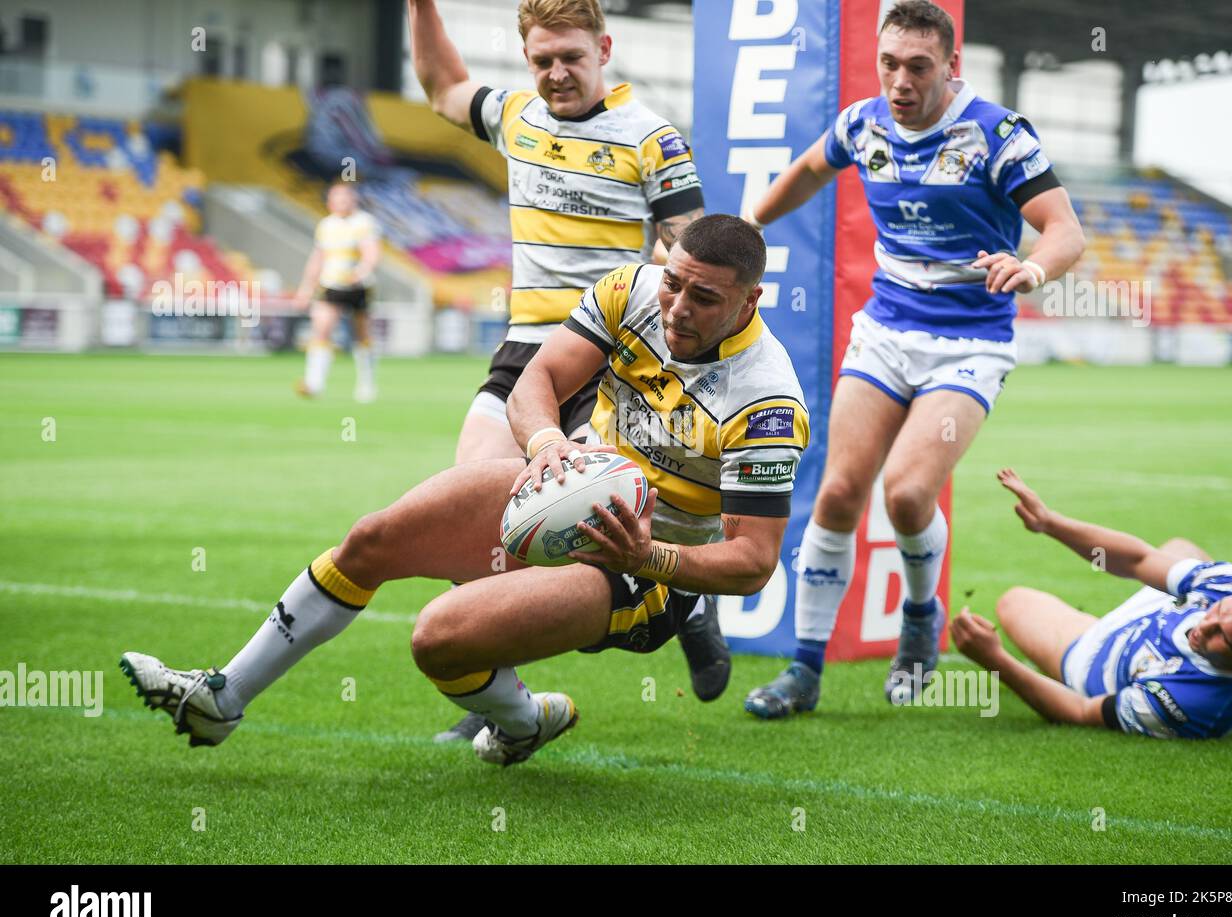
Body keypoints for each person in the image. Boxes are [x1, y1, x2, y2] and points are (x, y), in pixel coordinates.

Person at [120, 215, 809, 766]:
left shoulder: (767, 398)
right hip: (565, 484)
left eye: (704, 297)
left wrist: (647, 557)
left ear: (750, 299)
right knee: (372, 538)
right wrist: (546, 443)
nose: (678, 307)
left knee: (439, 639)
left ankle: (523, 721)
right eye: (675, 283)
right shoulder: (632, 289)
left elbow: (751, 561)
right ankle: (222, 698)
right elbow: (536, 384)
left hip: (643, 572)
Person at [741, 0, 1085, 717]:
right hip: (887, 331)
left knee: (903, 494)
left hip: (970, 342)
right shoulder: (862, 122)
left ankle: (921, 618)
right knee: (836, 494)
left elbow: (1064, 230)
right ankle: (804, 670)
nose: (899, 80)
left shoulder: (998, 135)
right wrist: (747, 226)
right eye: (888, 63)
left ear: (951, 65)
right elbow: (809, 168)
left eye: (918, 67)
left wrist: (1031, 270)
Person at [407, 0, 726, 723]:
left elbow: (689, 248)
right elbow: (441, 86)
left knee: (582, 540)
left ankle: (687, 602)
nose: (557, 73)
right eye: (543, 59)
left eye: (571, 57)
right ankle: (498, 686)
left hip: (605, 361)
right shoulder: (516, 117)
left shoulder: (651, 138)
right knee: (470, 525)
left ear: (603, 49)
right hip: (522, 356)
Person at [948, 468, 1232, 739]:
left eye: (1223, 636)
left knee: (1013, 602)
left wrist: (995, 659)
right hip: (1150, 611)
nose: (1202, 626)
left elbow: (1081, 711)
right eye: (1220, 612)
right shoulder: (1230, 586)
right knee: (1181, 548)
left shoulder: (1194, 706)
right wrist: (1049, 523)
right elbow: (1137, 560)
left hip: (1092, 653)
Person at [291, 183, 382, 402]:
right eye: (336, 198)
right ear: (329, 202)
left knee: (362, 335)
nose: (341, 203)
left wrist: (362, 271)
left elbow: (371, 252)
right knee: (321, 329)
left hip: (358, 287)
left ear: (353, 200)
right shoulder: (326, 225)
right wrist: (306, 288)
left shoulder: (364, 222)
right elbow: (318, 257)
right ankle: (314, 383)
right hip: (331, 285)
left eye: (345, 198)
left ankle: (366, 384)